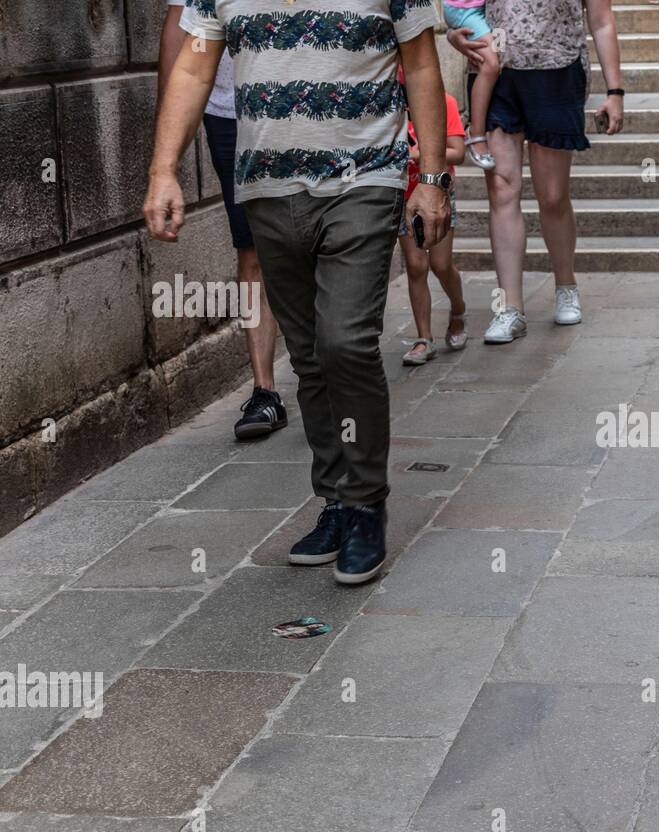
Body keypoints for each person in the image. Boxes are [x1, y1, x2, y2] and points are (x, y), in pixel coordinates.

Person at [144, 0, 451, 586]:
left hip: (364, 177)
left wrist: (432, 179)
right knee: (309, 353)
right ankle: (335, 500)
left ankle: (364, 503)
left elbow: (421, 63)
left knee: (346, 342)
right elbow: (194, 66)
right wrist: (164, 169)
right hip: (267, 185)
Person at [448, 0, 624, 344]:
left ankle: (566, 285)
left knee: (553, 195)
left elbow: (601, 20)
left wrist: (615, 90)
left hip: (557, 70)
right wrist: (454, 35)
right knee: (501, 191)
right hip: (497, 74)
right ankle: (510, 309)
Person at [159, 0, 285, 441]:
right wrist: (166, 158)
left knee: (313, 241)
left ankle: (326, 377)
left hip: (298, 104)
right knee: (251, 248)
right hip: (228, 112)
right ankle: (264, 390)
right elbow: (179, 26)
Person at [398, 93, 467, 365]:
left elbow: (458, 152)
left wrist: (418, 154)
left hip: (437, 194)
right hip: (404, 198)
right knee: (416, 266)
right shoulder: (387, 103)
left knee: (441, 265)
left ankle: (458, 310)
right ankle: (424, 339)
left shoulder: (443, 102)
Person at [441, 0, 498, 170]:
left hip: (475, 9)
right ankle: (476, 133)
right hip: (466, 9)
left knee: (494, 61)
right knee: (491, 64)